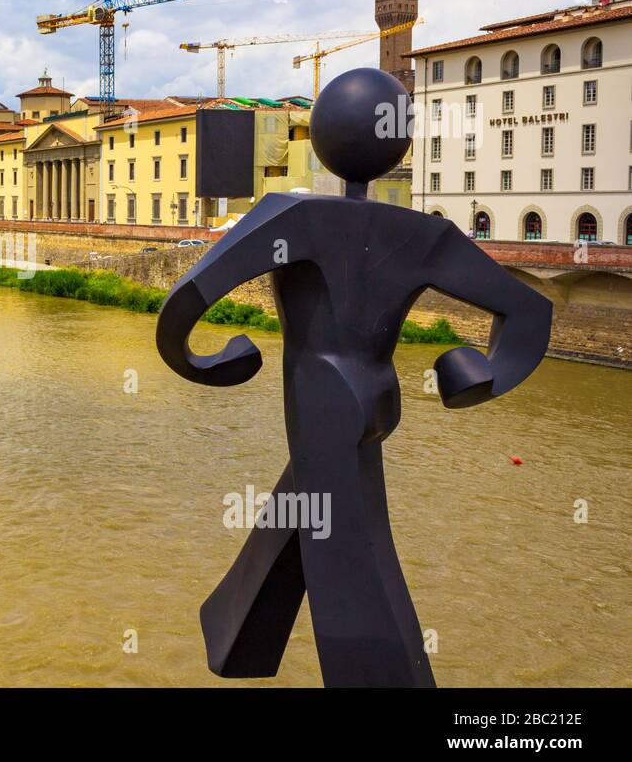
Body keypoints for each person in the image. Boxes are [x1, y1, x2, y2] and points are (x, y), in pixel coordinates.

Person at [156, 67, 551, 687]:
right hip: (378, 399)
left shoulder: (293, 215)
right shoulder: (425, 234)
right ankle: (235, 633)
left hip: (320, 398)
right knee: (316, 509)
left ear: (323, 136)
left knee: (355, 570)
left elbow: (185, 302)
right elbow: (529, 314)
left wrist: (202, 361)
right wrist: (479, 375)